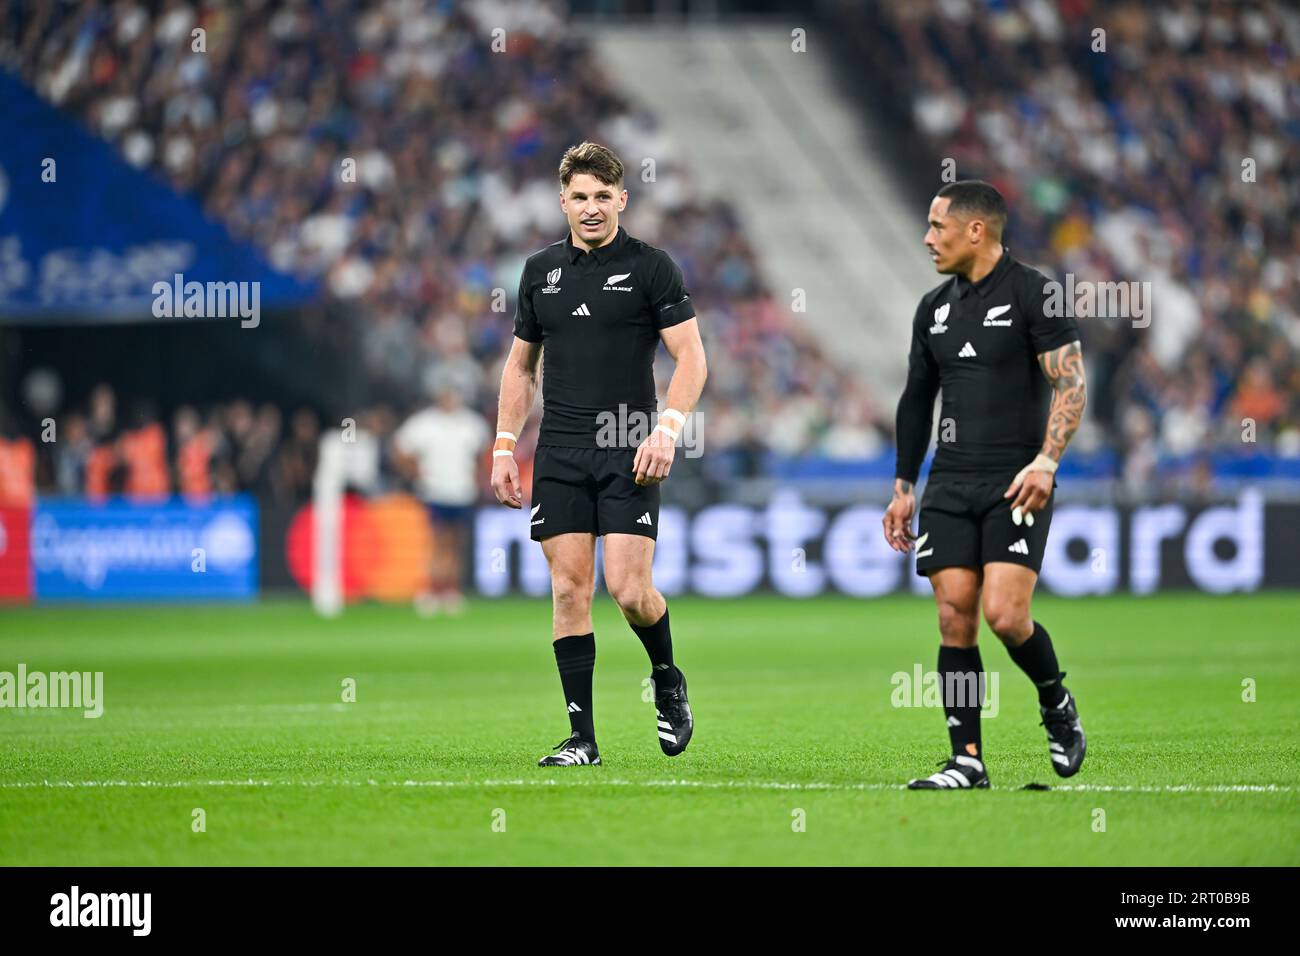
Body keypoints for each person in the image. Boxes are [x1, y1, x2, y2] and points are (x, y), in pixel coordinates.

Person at [491, 142, 708, 767]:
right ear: (563, 201)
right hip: (558, 448)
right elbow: (520, 366)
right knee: (568, 591)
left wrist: (666, 430)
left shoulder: (651, 267)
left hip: (627, 442)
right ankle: (582, 738)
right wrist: (505, 445)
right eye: (579, 197)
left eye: (602, 197)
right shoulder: (539, 272)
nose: (591, 208)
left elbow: (691, 356)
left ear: (622, 199)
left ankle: (667, 679)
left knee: (631, 590)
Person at [883, 181, 1089, 789]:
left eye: (937, 227)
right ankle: (966, 759)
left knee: (1004, 614)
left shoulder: (1036, 293)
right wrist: (903, 483)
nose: (928, 238)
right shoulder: (933, 308)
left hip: (1016, 480)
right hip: (949, 481)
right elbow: (916, 400)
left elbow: (1070, 384)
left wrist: (1047, 461)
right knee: (954, 617)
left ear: (976, 230)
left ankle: (1055, 701)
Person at [394, 387, 490, 615]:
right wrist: (414, 474)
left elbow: (486, 452)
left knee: (456, 542)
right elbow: (400, 448)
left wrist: (478, 477)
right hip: (434, 491)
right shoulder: (424, 423)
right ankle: (432, 589)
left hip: (461, 491)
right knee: (437, 542)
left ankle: (450, 590)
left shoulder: (470, 423)